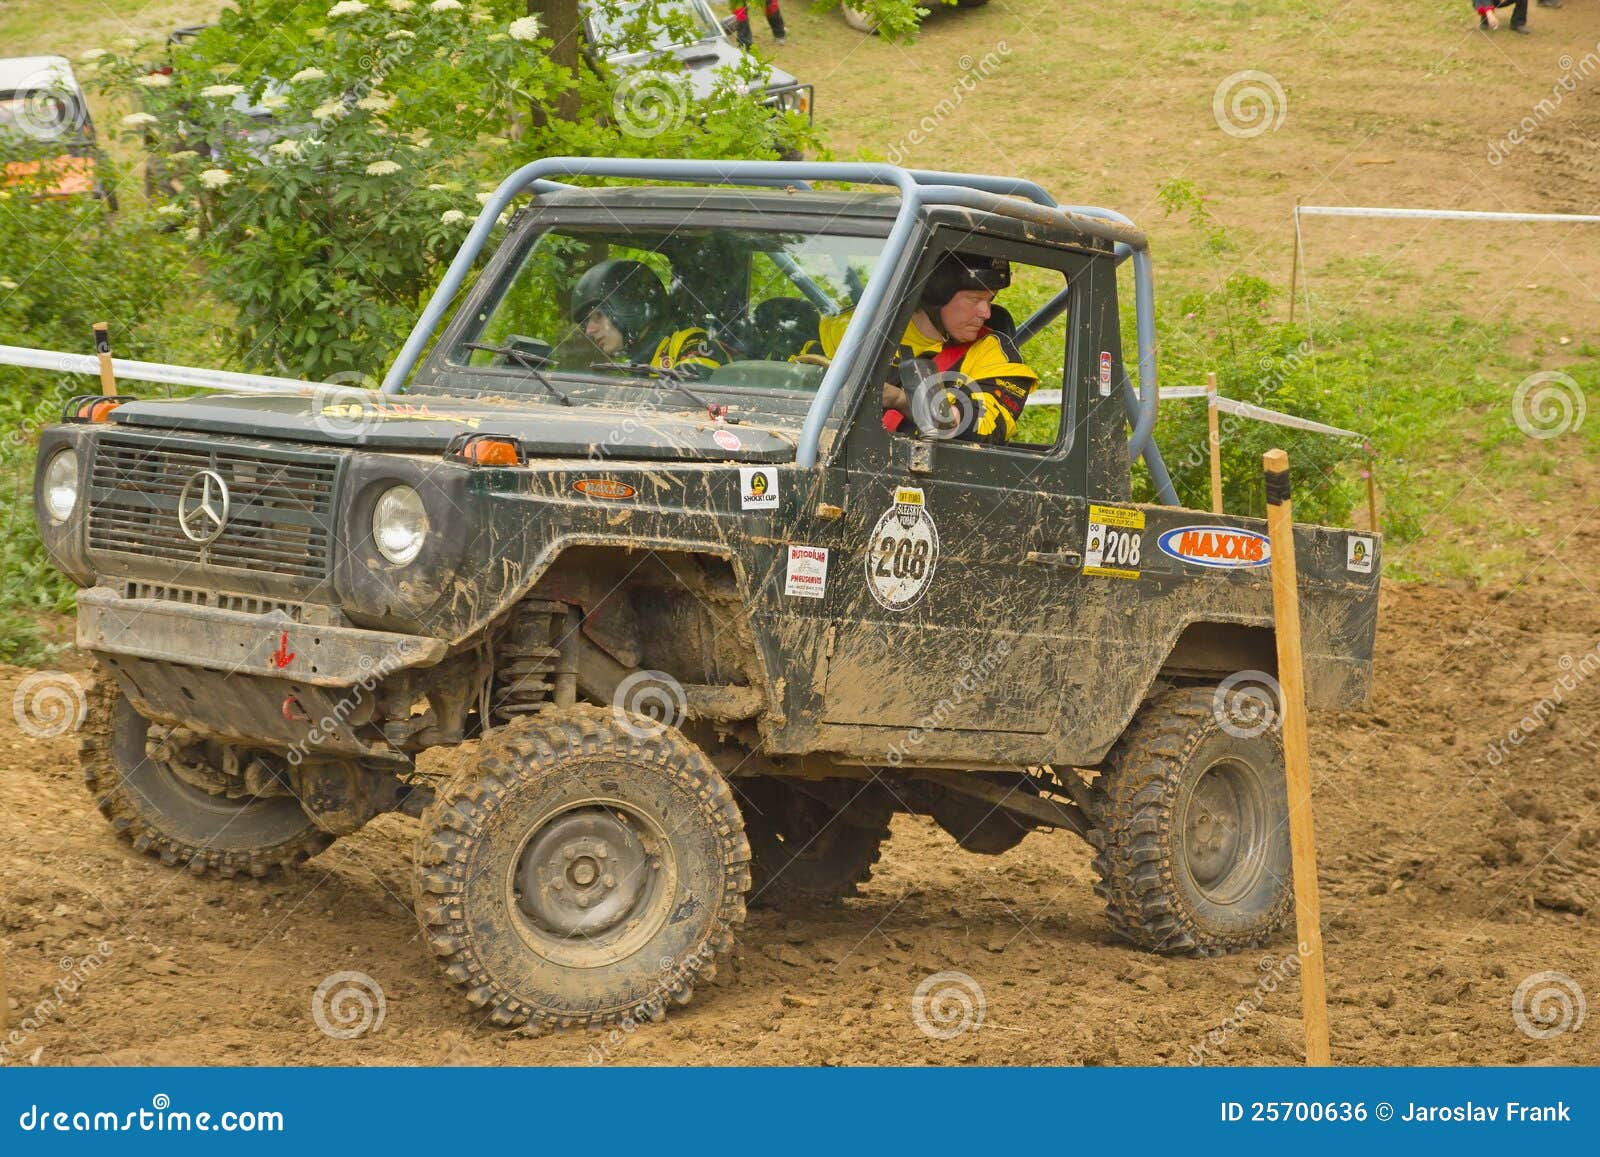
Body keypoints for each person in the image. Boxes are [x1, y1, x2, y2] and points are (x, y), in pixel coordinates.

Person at [817, 252, 1039, 444]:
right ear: (936, 294)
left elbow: (984, 431)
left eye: (990, 300)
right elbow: (796, 382)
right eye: (973, 299)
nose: (986, 313)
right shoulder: (852, 329)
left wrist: (902, 401)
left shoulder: (994, 355)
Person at [570, 259, 725, 375]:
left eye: (597, 316)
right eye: (585, 322)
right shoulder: (631, 364)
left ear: (629, 305)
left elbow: (686, 404)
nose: (589, 330)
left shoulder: (689, 342)